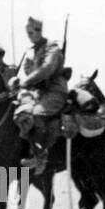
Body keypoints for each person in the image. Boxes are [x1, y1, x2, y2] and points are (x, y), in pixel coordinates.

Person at [11, 16, 67, 175]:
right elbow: (30, 73)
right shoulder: (32, 51)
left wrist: (27, 80)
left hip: (55, 91)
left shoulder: (52, 48)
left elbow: (47, 68)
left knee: (36, 114)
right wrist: (18, 81)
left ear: (39, 30)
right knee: (20, 113)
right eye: (27, 32)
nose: (30, 35)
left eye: (32, 32)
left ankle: (40, 157)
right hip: (38, 93)